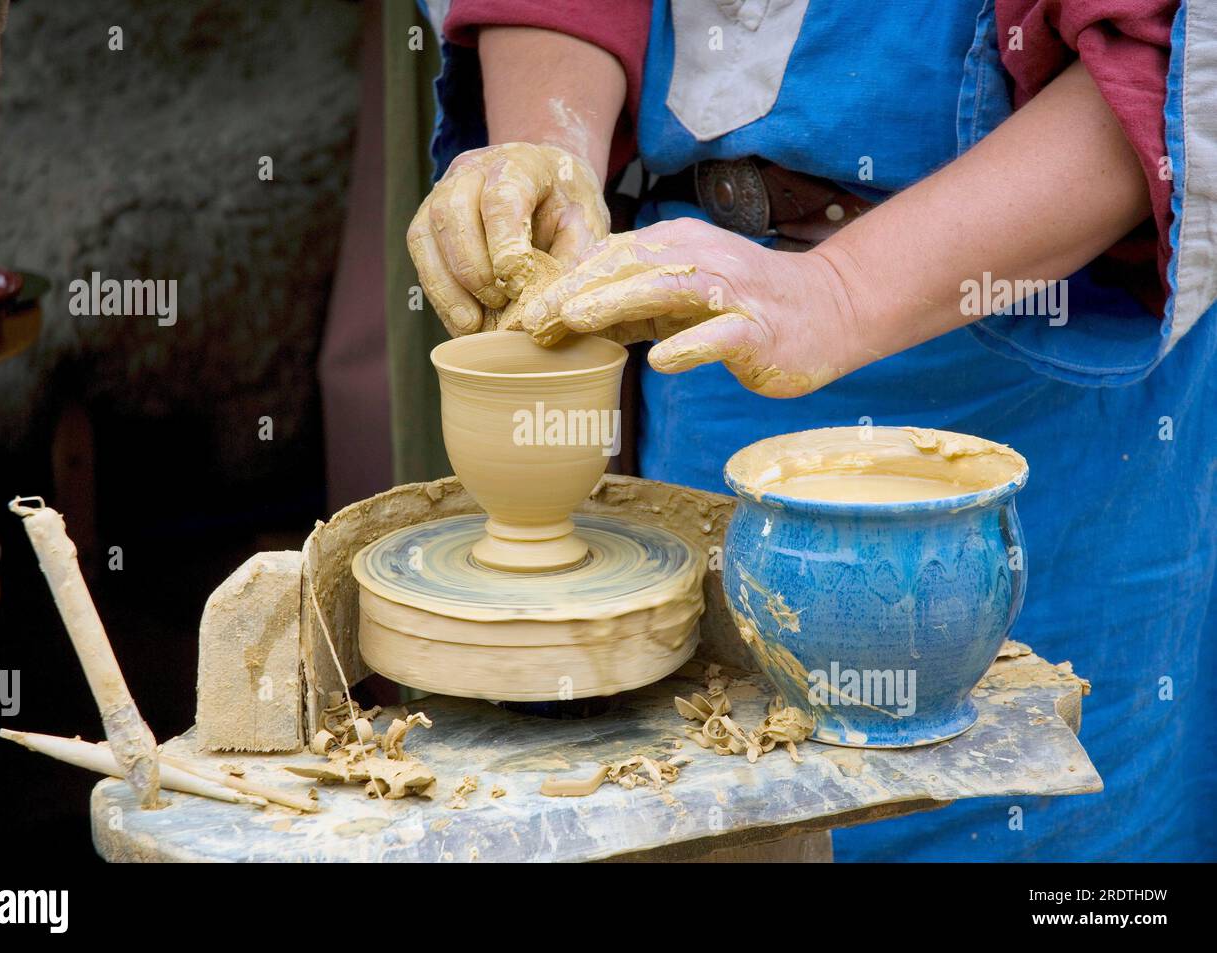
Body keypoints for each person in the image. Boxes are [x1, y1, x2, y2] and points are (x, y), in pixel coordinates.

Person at [408, 0, 1217, 861]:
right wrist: (549, 159)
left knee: (1034, 825)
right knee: (719, 783)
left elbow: (1172, 60)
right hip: (707, 313)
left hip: (1030, 353)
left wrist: (841, 292)